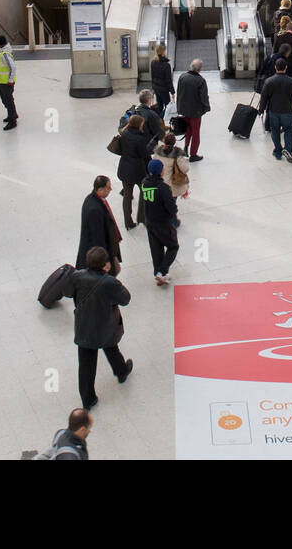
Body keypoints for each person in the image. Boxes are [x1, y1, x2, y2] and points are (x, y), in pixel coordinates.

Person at [69, 247, 133, 410]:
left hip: (84, 326)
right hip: (105, 325)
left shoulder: (77, 276)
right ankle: (121, 372)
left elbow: (67, 292)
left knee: (86, 364)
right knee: (111, 348)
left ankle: (88, 399)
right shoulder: (110, 282)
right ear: (106, 264)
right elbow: (126, 299)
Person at [141, 158, 180, 287]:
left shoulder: (144, 183)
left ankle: (159, 273)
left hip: (150, 222)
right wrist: (173, 213)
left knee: (156, 249)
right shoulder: (163, 188)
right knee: (173, 246)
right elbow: (171, 207)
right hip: (163, 223)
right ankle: (162, 271)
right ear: (160, 171)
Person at [77, 175, 123, 278]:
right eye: (108, 188)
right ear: (100, 189)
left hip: (104, 249)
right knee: (109, 276)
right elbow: (98, 237)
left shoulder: (93, 199)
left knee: (116, 270)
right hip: (98, 254)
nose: (111, 189)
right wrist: (105, 260)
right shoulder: (94, 209)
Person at [259, 57, 292, 163]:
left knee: (275, 131)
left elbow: (264, 97)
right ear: (286, 68)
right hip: (287, 111)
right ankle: (288, 150)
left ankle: (278, 151)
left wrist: (261, 110)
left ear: (275, 67)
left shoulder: (269, 81)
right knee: (288, 130)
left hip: (273, 111)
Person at [116, 114, 153, 230]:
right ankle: (142, 217)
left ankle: (128, 222)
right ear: (138, 124)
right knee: (145, 192)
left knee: (127, 196)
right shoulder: (140, 138)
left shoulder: (124, 134)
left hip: (124, 168)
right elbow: (145, 155)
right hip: (138, 170)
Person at [176, 58, 210, 162]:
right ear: (200, 69)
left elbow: (179, 92)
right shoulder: (201, 81)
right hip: (195, 111)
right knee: (195, 132)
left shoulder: (182, 77)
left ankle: (186, 147)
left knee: (188, 129)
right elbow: (203, 98)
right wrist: (206, 108)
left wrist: (179, 107)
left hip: (184, 109)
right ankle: (193, 154)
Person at [153, 131, 190, 201]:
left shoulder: (158, 152)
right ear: (174, 142)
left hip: (159, 183)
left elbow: (153, 164)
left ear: (164, 141)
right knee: (171, 204)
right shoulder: (177, 154)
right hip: (173, 185)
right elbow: (185, 169)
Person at [0, 35, 18, 130]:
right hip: (2, 81)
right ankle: (13, 115)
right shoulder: (1, 53)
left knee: (8, 101)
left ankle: (12, 121)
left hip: (7, 83)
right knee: (6, 100)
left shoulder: (5, 54)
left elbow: (13, 67)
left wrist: (11, 81)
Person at [150, 44, 174, 116]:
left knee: (159, 106)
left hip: (157, 88)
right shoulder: (166, 65)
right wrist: (172, 92)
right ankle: (159, 120)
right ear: (163, 52)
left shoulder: (153, 62)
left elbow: (152, 77)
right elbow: (168, 80)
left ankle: (159, 123)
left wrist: (153, 88)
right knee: (168, 107)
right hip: (164, 89)